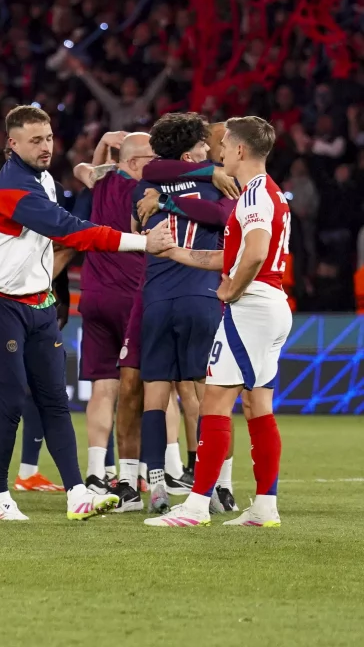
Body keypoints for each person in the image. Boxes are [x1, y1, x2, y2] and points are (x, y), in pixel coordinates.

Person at [0, 105, 166, 522]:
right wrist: (141, 243)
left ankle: (77, 493)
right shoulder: (10, 191)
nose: (45, 146)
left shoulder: (44, 182)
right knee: (11, 400)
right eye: (35, 140)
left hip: (38, 303)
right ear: (12, 144)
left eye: (49, 138)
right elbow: (71, 231)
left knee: (55, 400)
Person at [145, 117, 292, 528]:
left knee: (215, 402)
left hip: (252, 307)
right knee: (257, 404)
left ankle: (194, 508)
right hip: (272, 305)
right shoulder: (270, 193)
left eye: (224, 145)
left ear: (241, 151)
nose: (219, 152)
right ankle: (264, 506)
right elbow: (224, 259)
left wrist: (232, 290)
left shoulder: (254, 197)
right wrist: (174, 252)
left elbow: (257, 252)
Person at [134, 112, 227, 514]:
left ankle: (155, 485)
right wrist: (208, 170)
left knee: (154, 395)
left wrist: (167, 199)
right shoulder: (218, 182)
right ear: (191, 152)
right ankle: (216, 488)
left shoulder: (149, 185)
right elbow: (225, 218)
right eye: (203, 145)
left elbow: (155, 166)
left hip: (156, 299)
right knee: (209, 399)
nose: (210, 149)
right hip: (201, 296)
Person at [70, 130, 154, 511]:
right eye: (151, 158)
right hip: (131, 296)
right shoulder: (147, 191)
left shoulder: (102, 179)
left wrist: (105, 140)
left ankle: (93, 473)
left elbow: (82, 167)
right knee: (136, 388)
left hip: (93, 296)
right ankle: (135, 476)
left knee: (102, 388)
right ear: (135, 162)